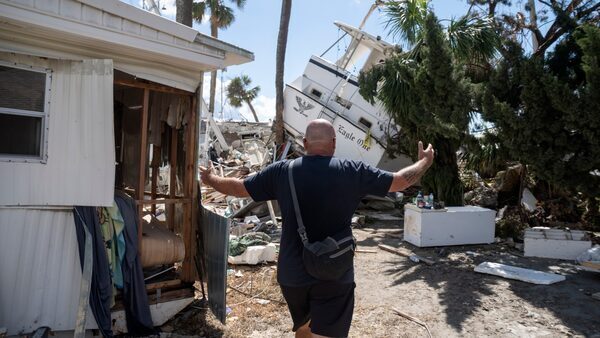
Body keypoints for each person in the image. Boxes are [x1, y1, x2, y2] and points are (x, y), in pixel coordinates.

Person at [200, 119, 434, 338]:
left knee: (303, 326)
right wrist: (424, 162)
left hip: (292, 275)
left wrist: (211, 180)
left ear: (304, 143)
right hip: (335, 272)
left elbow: (240, 188)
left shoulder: (283, 171)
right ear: (334, 143)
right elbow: (400, 181)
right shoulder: (352, 170)